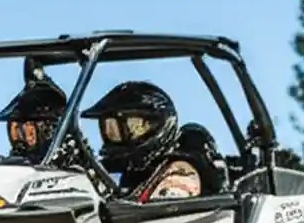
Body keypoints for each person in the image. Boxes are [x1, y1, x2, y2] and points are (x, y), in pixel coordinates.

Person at [80, 80, 209, 202]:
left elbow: (161, 217)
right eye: (108, 128)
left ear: (152, 125)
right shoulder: (138, 174)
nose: (114, 136)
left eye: (129, 127)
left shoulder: (180, 173)